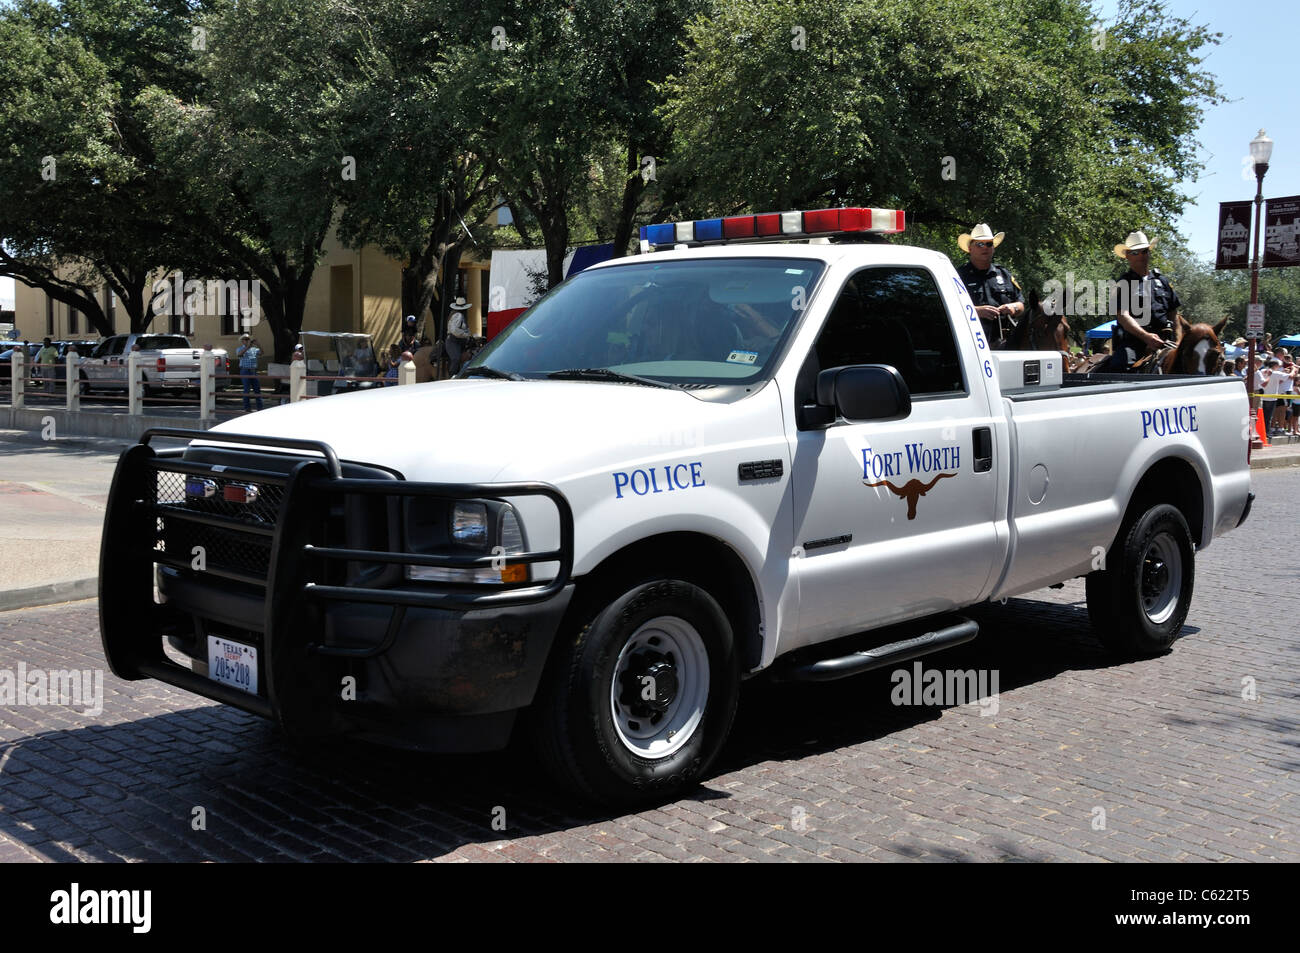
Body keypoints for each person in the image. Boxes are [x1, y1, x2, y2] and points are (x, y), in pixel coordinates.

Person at [1096, 230, 1181, 373]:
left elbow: (1174, 314)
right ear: (1127, 256)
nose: (1141, 255)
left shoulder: (1162, 281)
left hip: (1166, 341)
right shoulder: (1123, 283)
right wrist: (1146, 337)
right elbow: (1122, 316)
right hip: (1134, 343)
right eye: (1135, 252)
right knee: (1120, 365)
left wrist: (1179, 341)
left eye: (1144, 251)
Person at [955, 223, 1025, 348]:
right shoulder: (958, 276)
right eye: (980, 244)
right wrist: (975, 311)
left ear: (993, 248)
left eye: (989, 244)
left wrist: (1012, 307)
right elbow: (948, 308)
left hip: (1006, 345)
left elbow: (1021, 304)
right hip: (969, 345)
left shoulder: (1004, 274)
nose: (985, 248)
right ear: (970, 248)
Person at [235, 334, 263, 412]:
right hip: (245, 370)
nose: (247, 341)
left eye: (248, 339)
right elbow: (239, 354)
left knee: (257, 390)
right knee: (246, 390)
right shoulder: (239, 349)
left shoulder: (254, 349)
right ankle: (247, 408)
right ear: (242, 341)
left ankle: (260, 408)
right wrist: (248, 347)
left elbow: (261, 352)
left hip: (253, 371)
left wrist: (258, 344)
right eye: (245, 339)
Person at [445, 296, 472, 375]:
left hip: (458, 341)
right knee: (456, 359)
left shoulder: (457, 315)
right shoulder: (458, 315)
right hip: (453, 341)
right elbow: (454, 330)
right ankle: (452, 375)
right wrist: (466, 334)